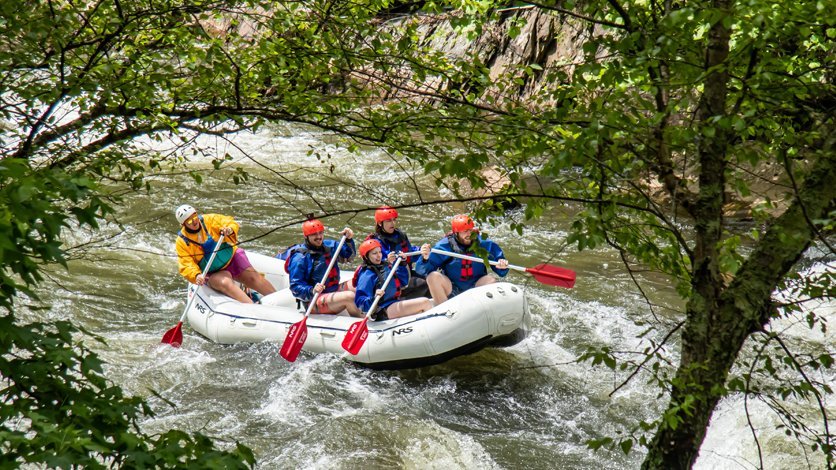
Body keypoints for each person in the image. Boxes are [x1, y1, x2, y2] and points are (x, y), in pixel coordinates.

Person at [174, 204, 275, 304]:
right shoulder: (182, 241)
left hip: (231, 258)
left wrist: (229, 229)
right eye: (190, 221)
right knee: (225, 283)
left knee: (253, 277)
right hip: (213, 272)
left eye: (195, 217)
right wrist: (196, 275)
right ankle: (254, 308)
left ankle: (278, 300)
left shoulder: (209, 220)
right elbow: (186, 264)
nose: (194, 221)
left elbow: (229, 222)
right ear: (183, 224)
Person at [415, 214, 509, 305]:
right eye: (464, 231)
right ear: (456, 233)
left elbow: (502, 272)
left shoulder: (484, 244)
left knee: (490, 280)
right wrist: (425, 259)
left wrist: (502, 265)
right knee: (433, 277)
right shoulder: (444, 246)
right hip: (452, 288)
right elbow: (422, 271)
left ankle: (482, 310)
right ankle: (444, 310)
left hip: (475, 286)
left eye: (470, 230)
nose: (469, 234)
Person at [284, 219, 362, 316]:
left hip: (332, 289)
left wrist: (348, 240)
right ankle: (363, 323)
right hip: (314, 299)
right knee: (349, 296)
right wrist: (311, 290)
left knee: (361, 282)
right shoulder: (300, 258)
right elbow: (295, 286)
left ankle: (376, 311)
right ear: (306, 236)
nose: (319, 237)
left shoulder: (329, 246)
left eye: (320, 233)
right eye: (314, 234)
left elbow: (348, 256)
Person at [353, 239, 433, 320]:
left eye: (380, 252)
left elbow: (403, 283)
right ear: (366, 256)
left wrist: (402, 264)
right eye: (374, 253)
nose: (379, 255)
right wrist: (374, 298)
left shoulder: (385, 266)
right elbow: (360, 302)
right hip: (382, 309)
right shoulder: (366, 275)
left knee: (421, 310)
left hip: (394, 302)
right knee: (425, 302)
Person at [365, 206, 429, 299]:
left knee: (429, 279)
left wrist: (422, 251)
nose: (393, 223)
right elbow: (371, 264)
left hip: (404, 273)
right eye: (388, 221)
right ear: (379, 223)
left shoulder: (400, 235)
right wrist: (387, 261)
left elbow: (410, 253)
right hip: (387, 280)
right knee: (422, 284)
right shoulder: (373, 242)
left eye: (394, 220)